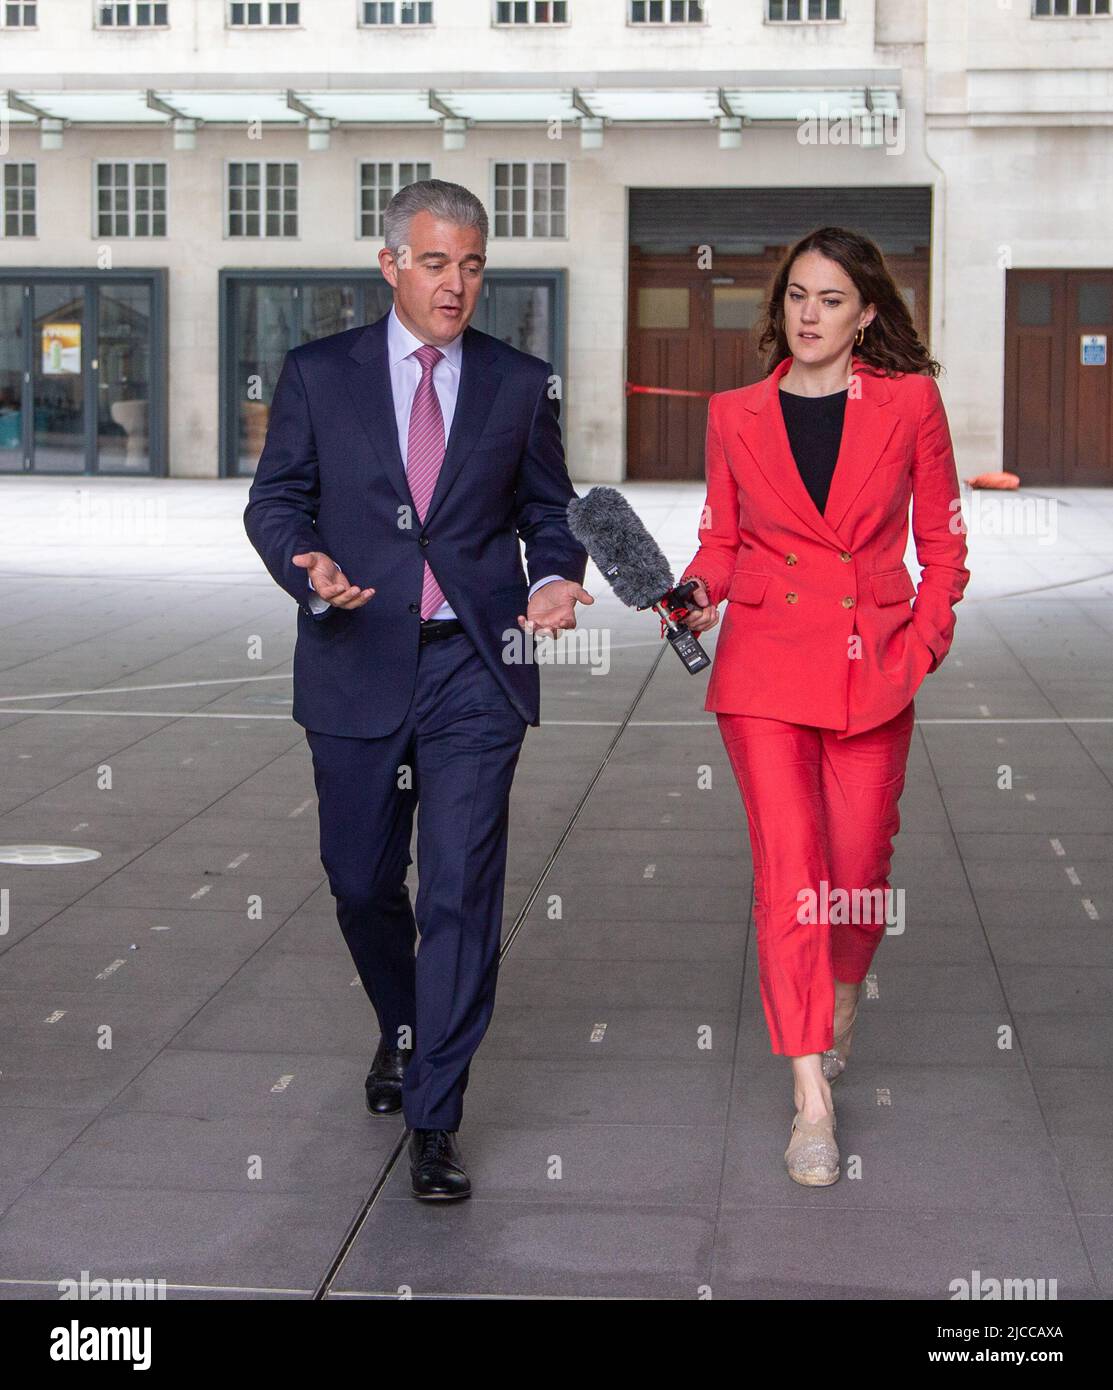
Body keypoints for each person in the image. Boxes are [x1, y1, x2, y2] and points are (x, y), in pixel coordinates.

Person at [244, 179, 591, 1201]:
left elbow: (549, 510)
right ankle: (405, 1026)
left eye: (474, 264)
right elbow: (277, 501)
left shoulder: (520, 382)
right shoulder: (318, 375)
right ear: (390, 263)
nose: (457, 283)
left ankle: (435, 1113)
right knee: (360, 881)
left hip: (476, 667)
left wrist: (557, 575)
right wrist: (305, 563)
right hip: (354, 656)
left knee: (460, 890)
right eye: (437, 262)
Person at [679, 226, 970, 1187]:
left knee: (857, 867)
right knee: (791, 873)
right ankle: (811, 1098)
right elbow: (720, 542)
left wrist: (922, 640)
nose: (808, 314)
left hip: (872, 666)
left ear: (866, 314)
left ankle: (840, 995)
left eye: (831, 299)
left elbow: (942, 537)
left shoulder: (910, 404)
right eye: (797, 296)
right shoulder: (733, 415)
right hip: (764, 672)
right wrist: (692, 590)